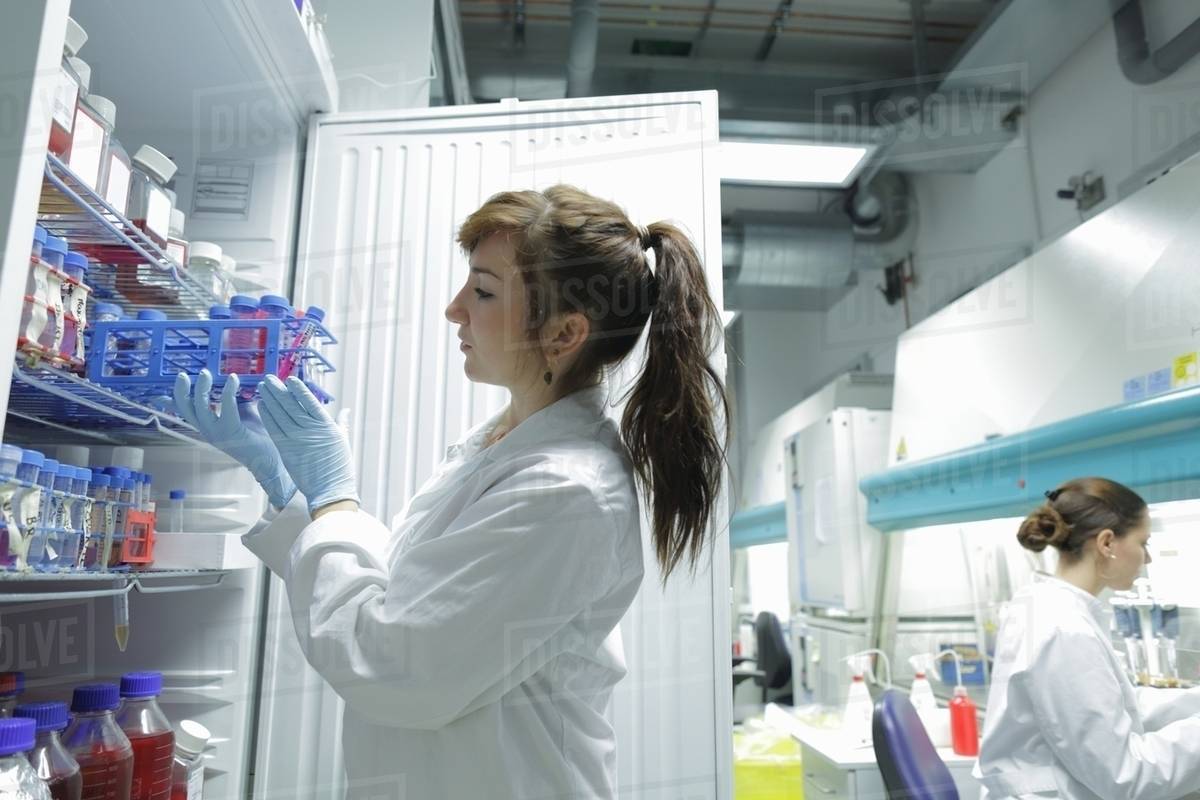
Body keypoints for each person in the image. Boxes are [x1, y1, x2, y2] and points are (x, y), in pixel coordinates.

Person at [173, 185, 729, 799]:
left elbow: (397, 670)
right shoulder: (501, 445)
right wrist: (295, 500)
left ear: (564, 333)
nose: (454, 308)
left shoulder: (570, 491)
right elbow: (407, 595)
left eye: (483, 292)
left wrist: (335, 502)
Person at [975, 477, 1200, 799]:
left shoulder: (1046, 605)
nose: (1147, 558)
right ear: (1107, 543)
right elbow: (1126, 777)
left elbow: (1121, 705)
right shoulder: (1064, 629)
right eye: (1143, 543)